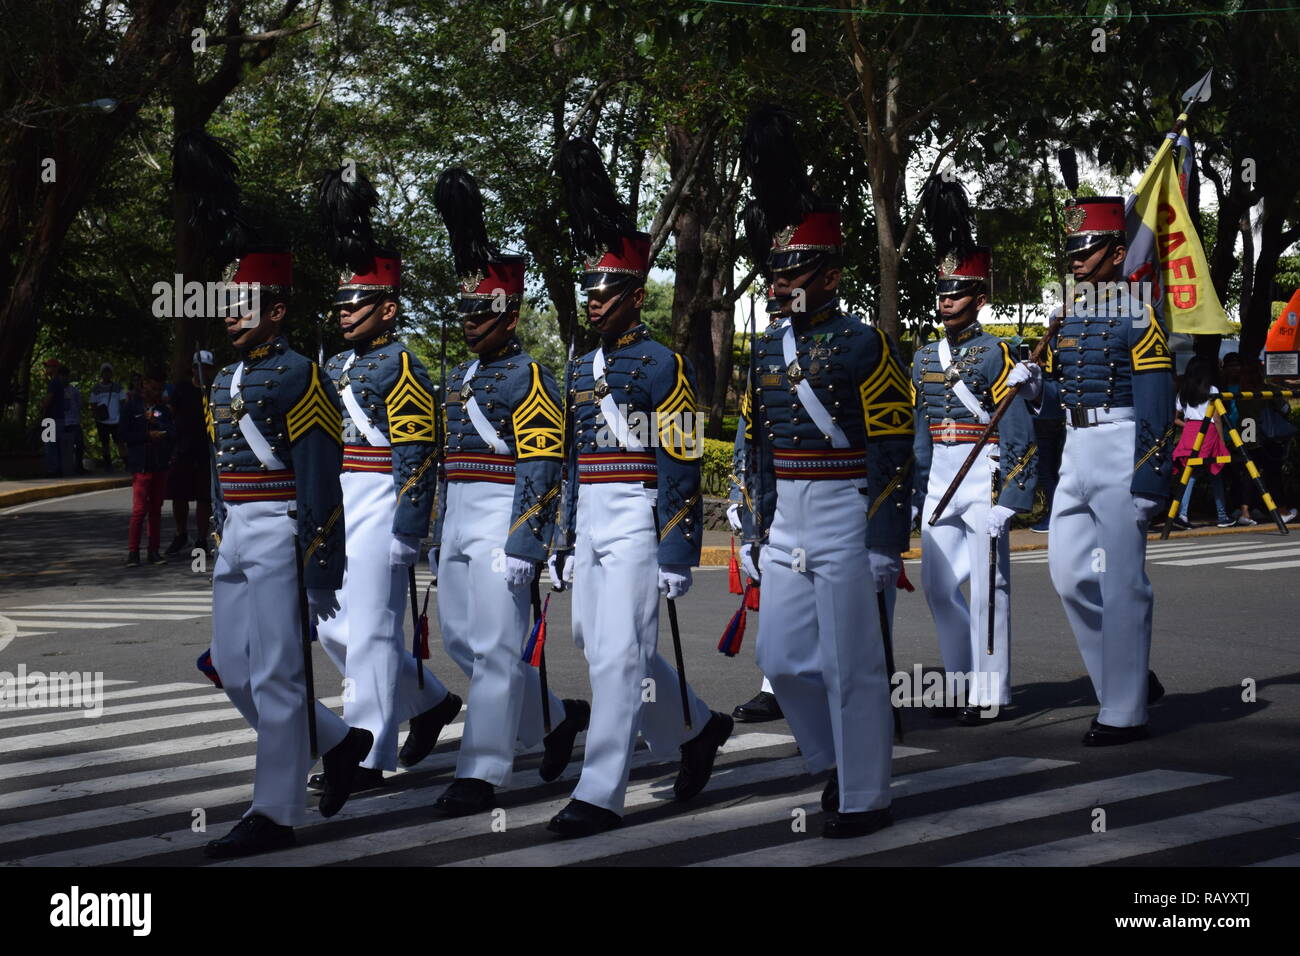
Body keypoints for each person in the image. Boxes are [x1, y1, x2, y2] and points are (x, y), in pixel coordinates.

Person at [546, 138, 732, 838]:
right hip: (591, 513)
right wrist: (562, 537)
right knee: (596, 640)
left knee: (621, 654)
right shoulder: (575, 367)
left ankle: (599, 791)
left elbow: (681, 461)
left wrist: (678, 548)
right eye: (589, 291)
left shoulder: (664, 366)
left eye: (605, 291)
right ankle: (696, 728)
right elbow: (566, 460)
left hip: (636, 515)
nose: (593, 302)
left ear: (632, 293)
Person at [737, 106, 913, 837]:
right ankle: (830, 758)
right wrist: (753, 520)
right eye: (774, 273)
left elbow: (893, 444)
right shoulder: (767, 350)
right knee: (782, 655)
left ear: (831, 274)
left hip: (846, 504)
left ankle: (865, 792)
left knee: (852, 664)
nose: (779, 286)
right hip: (789, 518)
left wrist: (884, 539)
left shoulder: (863, 343)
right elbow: (757, 443)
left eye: (793, 272)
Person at [428, 167, 589, 816]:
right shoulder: (460, 374)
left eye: (483, 309)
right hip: (460, 515)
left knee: (496, 647)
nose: (471, 320)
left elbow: (544, 463)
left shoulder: (532, 377)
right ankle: (555, 719)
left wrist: (531, 540)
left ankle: (482, 772)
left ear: (511, 312)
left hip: (502, 520)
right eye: (464, 308)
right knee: (462, 641)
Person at [202, 245, 371, 858]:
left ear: (275, 311)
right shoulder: (224, 378)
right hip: (238, 531)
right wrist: (220, 529)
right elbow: (219, 469)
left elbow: (320, 473)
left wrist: (321, 563)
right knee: (229, 662)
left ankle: (274, 810)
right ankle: (338, 739)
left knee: (277, 672)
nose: (229, 315)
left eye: (242, 305)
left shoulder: (301, 373)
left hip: (280, 526)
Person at [311, 166, 462, 798]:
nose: (346, 313)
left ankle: (369, 754)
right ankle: (427, 697)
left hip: (379, 500)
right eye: (341, 304)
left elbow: (418, 451)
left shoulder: (403, 363)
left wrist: (410, 525)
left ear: (388, 307)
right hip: (340, 500)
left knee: (372, 629)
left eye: (358, 303)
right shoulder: (335, 362)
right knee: (333, 626)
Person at [1022, 195, 1174, 746]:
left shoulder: (1140, 313)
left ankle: (1125, 711)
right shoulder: (1069, 316)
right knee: (1067, 573)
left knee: (1123, 583)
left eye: (1086, 251)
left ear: (1116, 252)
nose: (1077, 262)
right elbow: (1068, 394)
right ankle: (1125, 679)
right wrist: (1039, 388)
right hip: (1076, 446)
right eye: (1072, 253)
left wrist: (1151, 476)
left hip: (1119, 447)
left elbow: (1157, 400)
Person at [910, 202, 1036, 723]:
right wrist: (916, 488)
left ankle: (991, 690)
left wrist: (1013, 494)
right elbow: (921, 433)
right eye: (941, 292)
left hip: (981, 472)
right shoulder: (921, 356)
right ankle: (959, 681)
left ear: (979, 299)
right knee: (939, 586)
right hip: (941, 474)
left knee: (989, 586)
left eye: (957, 292)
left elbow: (1017, 429)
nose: (946, 300)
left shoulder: (995, 353)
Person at [120, 365, 175, 566]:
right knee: (139, 509)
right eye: (153, 389)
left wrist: (161, 431)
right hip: (140, 465)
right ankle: (133, 552)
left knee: (156, 509)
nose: (156, 393)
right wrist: (146, 435)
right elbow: (123, 435)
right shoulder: (131, 407)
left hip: (159, 464)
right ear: (145, 385)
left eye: (160, 390)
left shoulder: (163, 410)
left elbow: (172, 432)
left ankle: (154, 551)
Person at [1171, 355, 1232, 529]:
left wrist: (1190, 425)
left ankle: (1182, 514)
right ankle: (1222, 515)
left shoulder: (1183, 390)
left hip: (1189, 433)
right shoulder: (1212, 389)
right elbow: (1217, 417)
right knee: (1215, 473)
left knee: (1189, 474)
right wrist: (1222, 441)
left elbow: (1174, 418)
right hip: (1209, 433)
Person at [165, 352, 216, 555]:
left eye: (205, 367)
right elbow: (172, 412)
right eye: (197, 366)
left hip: (206, 451)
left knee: (204, 498)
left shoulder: (214, 390)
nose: (200, 370)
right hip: (183, 448)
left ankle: (202, 538)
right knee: (179, 495)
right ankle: (181, 533)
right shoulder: (182, 388)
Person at [89, 363, 126, 471]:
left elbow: (123, 402)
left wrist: (123, 416)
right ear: (101, 374)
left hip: (117, 420)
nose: (107, 374)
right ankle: (108, 464)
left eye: (108, 372)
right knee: (105, 443)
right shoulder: (96, 388)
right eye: (105, 372)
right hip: (102, 421)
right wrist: (96, 417)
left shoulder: (117, 387)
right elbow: (92, 404)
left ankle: (126, 462)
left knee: (120, 442)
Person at [39, 358, 67, 476]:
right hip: (58, 417)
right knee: (54, 444)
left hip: (52, 418)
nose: (47, 369)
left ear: (55, 369)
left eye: (49, 367)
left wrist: (42, 407)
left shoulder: (54, 383)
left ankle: (53, 469)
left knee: (50, 444)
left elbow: (48, 400)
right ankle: (58, 468)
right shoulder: (58, 382)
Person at [62, 366, 86, 474]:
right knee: (66, 446)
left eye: (65, 376)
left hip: (74, 421)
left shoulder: (74, 390)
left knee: (79, 444)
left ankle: (78, 466)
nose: (64, 378)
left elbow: (79, 404)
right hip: (62, 421)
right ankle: (67, 467)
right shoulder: (57, 390)